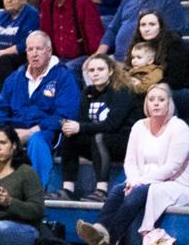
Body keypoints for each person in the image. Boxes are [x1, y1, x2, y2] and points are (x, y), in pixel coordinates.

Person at [76, 84, 189, 245]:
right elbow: (130, 162)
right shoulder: (139, 126)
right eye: (151, 100)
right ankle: (99, 228)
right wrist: (133, 179)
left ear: (169, 104)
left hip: (177, 185)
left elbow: (172, 167)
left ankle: (109, 237)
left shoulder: (179, 128)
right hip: (142, 183)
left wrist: (140, 181)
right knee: (119, 189)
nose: (156, 103)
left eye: (161, 100)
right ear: (146, 104)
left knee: (138, 191)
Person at [0, 32, 77, 194]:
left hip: (45, 133)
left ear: (49, 51)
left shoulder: (63, 76)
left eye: (39, 49)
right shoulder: (15, 78)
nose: (34, 53)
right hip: (11, 133)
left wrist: (30, 132)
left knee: (36, 141)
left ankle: (35, 195)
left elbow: (65, 115)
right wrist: (7, 134)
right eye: (30, 49)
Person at [51, 55, 140, 201]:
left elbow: (112, 125)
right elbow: (83, 121)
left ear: (110, 71)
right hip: (99, 143)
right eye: (91, 70)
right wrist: (73, 127)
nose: (95, 73)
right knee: (71, 135)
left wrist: (80, 127)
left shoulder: (123, 91)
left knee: (99, 137)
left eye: (100, 69)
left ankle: (101, 190)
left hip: (124, 142)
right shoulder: (88, 92)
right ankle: (68, 189)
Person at [125, 9, 189, 119]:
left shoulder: (175, 45)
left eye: (152, 24)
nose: (147, 29)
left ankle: (168, 133)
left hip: (187, 92)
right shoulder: (137, 46)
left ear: (160, 27)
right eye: (143, 25)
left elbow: (175, 80)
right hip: (148, 89)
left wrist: (145, 85)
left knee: (158, 95)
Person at [40, 0, 104, 79]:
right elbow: (44, 36)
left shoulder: (83, 3)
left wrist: (94, 59)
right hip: (56, 58)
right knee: (27, 70)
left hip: (81, 57)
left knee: (67, 71)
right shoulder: (47, 4)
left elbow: (94, 37)